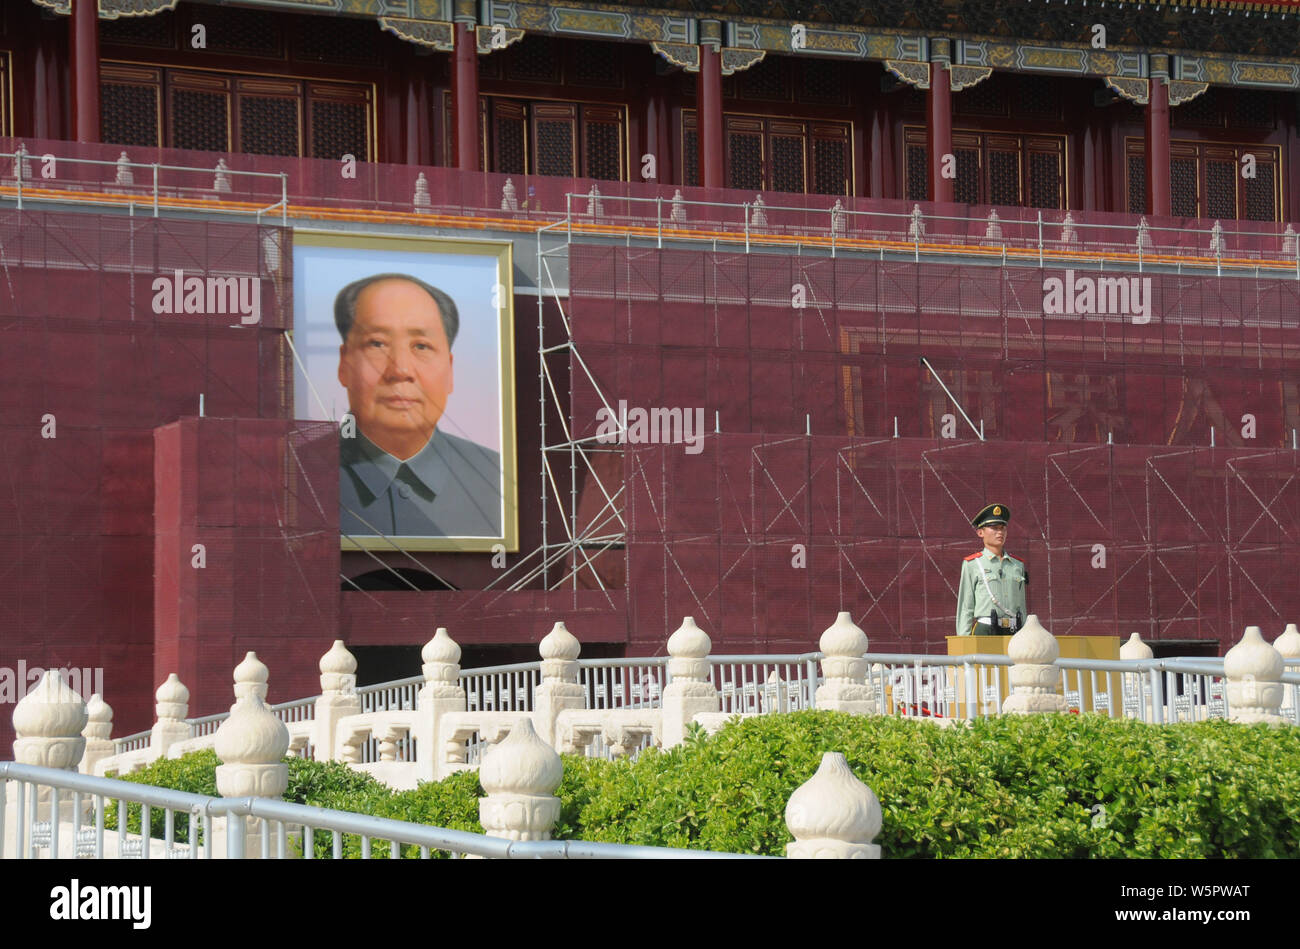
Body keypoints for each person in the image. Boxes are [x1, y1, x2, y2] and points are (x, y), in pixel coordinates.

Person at [335, 273, 502, 537]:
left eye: (421, 346)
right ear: (344, 364)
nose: (400, 369)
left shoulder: (496, 478)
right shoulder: (294, 473)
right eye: (377, 344)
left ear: (450, 370)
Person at [955, 503, 1027, 636]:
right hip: (986, 630)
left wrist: (1025, 633)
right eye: (994, 528)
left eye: (1003, 528)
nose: (1000, 532)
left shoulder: (1017, 565)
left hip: (1013, 631)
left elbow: (1021, 606)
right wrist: (963, 641)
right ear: (980, 532)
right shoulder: (973, 564)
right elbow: (966, 606)